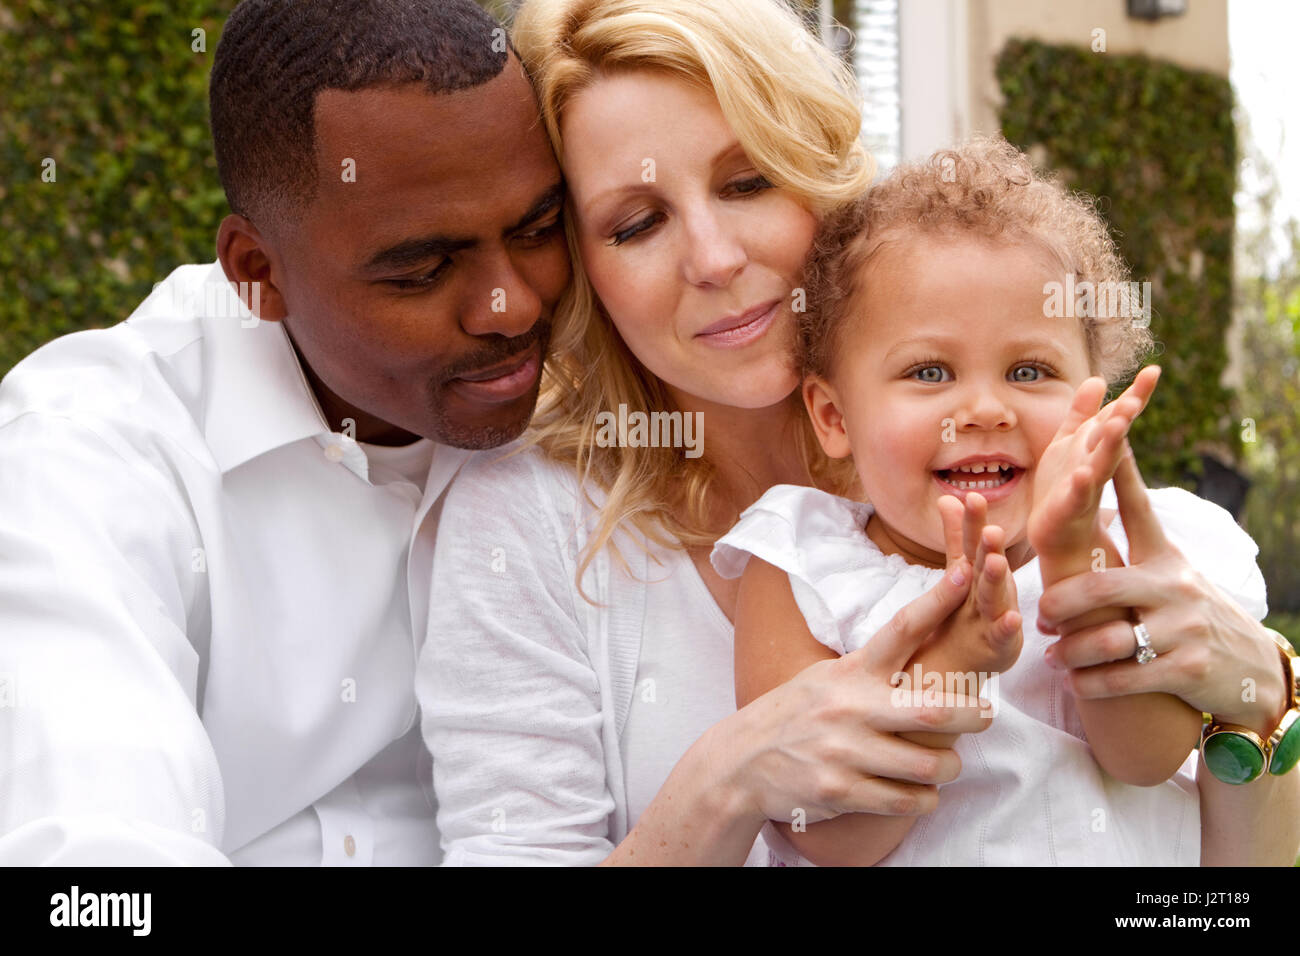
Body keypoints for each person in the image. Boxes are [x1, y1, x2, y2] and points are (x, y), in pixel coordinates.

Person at [419, 0, 1300, 867]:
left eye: (747, 180)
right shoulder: (531, 524)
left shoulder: (1044, 495)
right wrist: (726, 783)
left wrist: (1265, 698)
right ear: (583, 267)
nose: (715, 258)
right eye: (637, 222)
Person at [0, 0, 570, 864]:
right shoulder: (84, 454)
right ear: (258, 274)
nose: (514, 305)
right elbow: (94, 858)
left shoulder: (620, 401)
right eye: (422, 270)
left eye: (537, 229)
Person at [714, 138, 1264, 866]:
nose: (982, 409)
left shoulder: (1148, 553)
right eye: (930, 370)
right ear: (834, 417)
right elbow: (828, 833)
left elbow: (1148, 758)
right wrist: (955, 660)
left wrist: (1077, 564)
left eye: (1030, 369)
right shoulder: (800, 564)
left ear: (1091, 395)